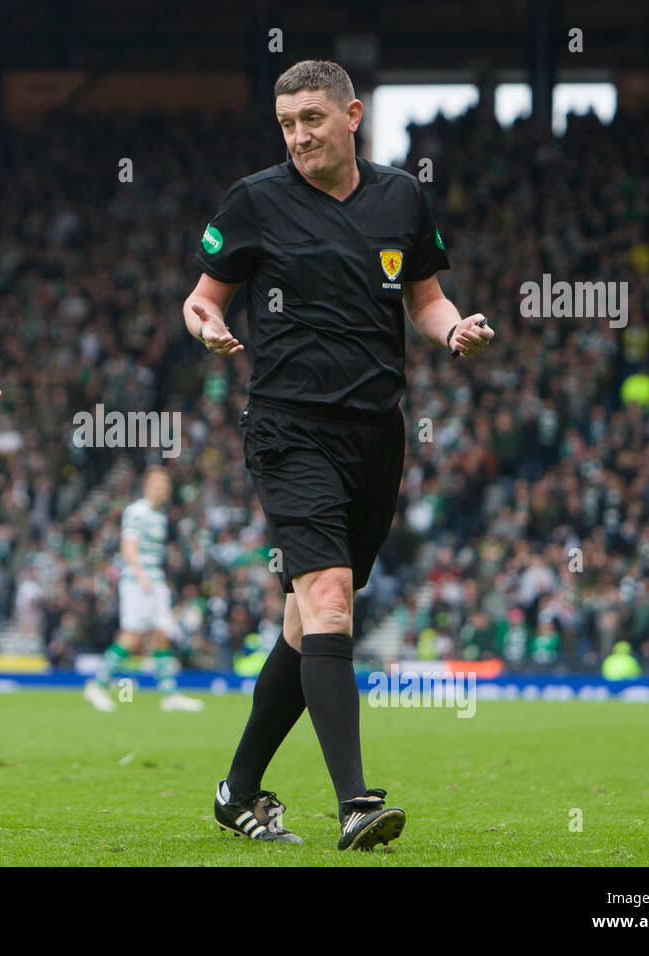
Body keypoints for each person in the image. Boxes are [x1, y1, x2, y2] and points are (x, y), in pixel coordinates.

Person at [184, 60, 494, 849]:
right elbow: (203, 295)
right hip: (289, 430)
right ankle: (356, 802)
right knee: (328, 598)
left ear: (351, 115)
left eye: (312, 120)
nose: (299, 137)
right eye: (287, 125)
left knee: (303, 626)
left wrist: (453, 330)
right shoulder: (255, 200)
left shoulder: (401, 198)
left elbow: (425, 297)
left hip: (376, 435)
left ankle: (237, 790)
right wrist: (206, 327)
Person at [84, 466, 205, 712]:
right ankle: (97, 684)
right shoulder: (136, 511)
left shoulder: (160, 515)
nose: (164, 488)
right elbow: (128, 546)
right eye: (160, 483)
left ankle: (170, 694)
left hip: (154, 582)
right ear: (147, 485)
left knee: (161, 636)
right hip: (138, 583)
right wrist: (141, 574)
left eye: (166, 483)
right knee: (132, 636)